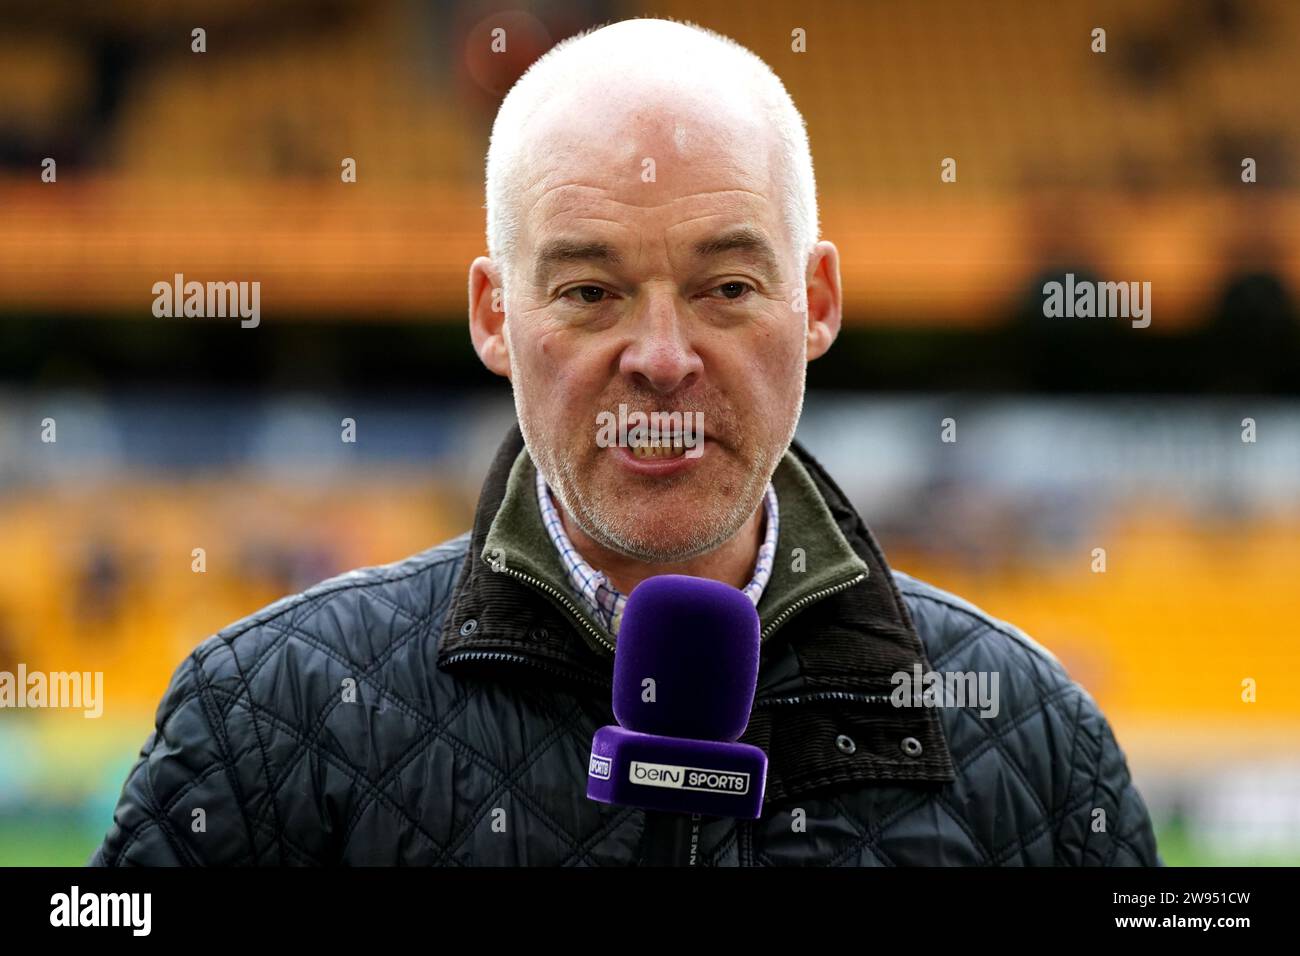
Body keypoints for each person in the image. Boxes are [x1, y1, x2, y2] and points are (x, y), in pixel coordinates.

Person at [92, 17, 1159, 866]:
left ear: (818, 300)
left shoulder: (1038, 743)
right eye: (590, 291)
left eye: (726, 288)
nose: (660, 356)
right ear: (495, 316)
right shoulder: (267, 717)